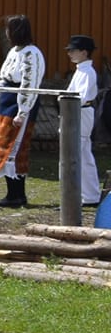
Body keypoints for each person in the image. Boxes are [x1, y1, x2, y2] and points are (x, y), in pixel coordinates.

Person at [0, 14, 45, 209]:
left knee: (15, 148)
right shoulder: (13, 52)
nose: (7, 33)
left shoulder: (32, 54)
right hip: (7, 102)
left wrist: (23, 111)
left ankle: (17, 195)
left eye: (9, 29)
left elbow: (30, 84)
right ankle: (12, 194)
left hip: (20, 103)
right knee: (2, 145)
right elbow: (2, 79)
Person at [63, 36, 100, 212]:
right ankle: (89, 195)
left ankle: (85, 195)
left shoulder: (88, 72)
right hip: (75, 112)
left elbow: (81, 97)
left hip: (81, 113)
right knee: (83, 154)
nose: (69, 53)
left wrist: (66, 102)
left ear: (84, 52)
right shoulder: (80, 70)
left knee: (76, 153)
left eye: (73, 50)